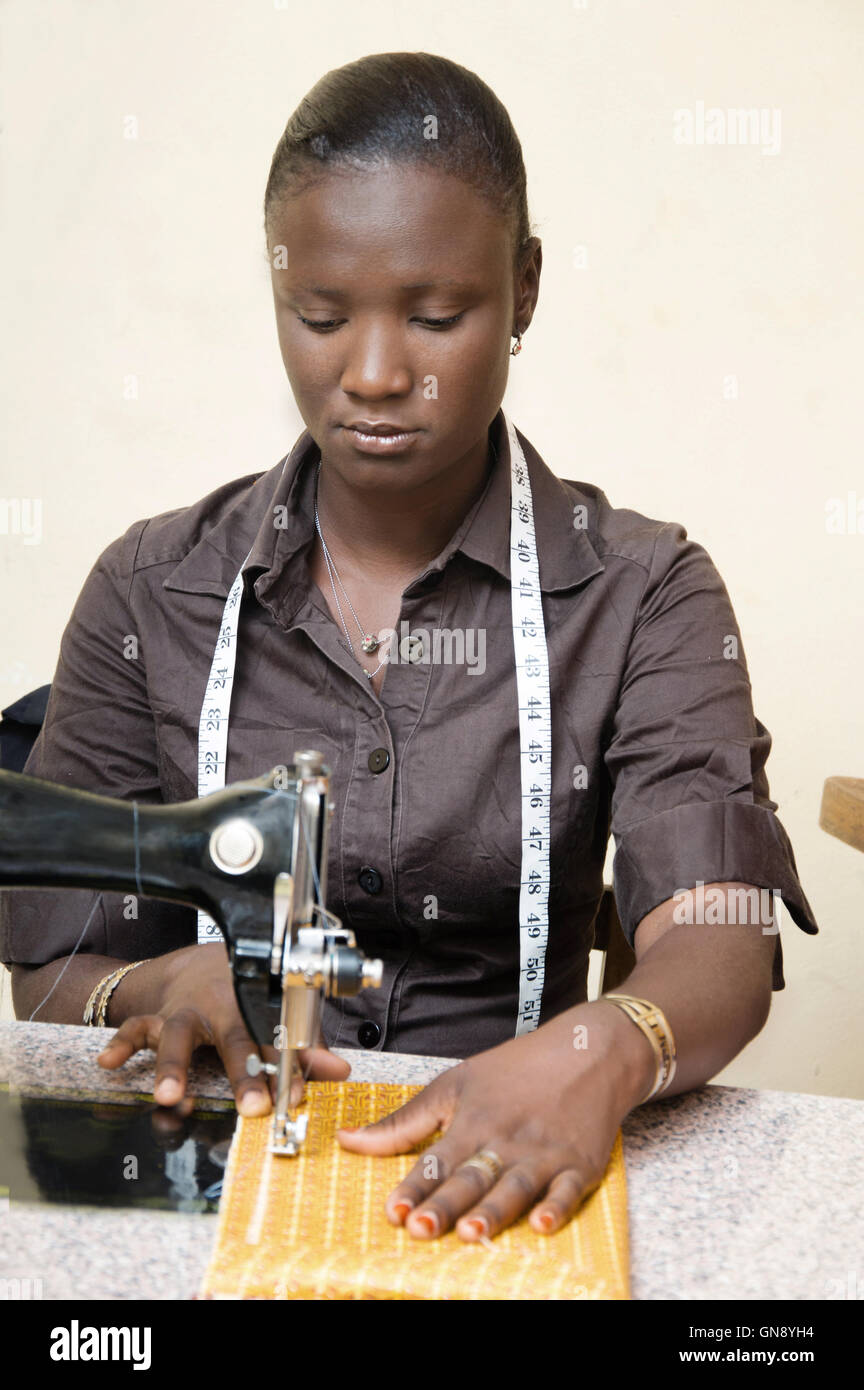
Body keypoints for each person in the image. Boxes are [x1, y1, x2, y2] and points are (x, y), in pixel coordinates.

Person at [1, 52, 818, 1244]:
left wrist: (604, 1048)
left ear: (525, 288)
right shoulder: (151, 591)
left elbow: (722, 936)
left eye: (437, 316)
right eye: (320, 318)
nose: (374, 374)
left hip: (513, 1166)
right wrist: (149, 986)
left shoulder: (643, 595)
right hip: (219, 1176)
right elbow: (59, 974)